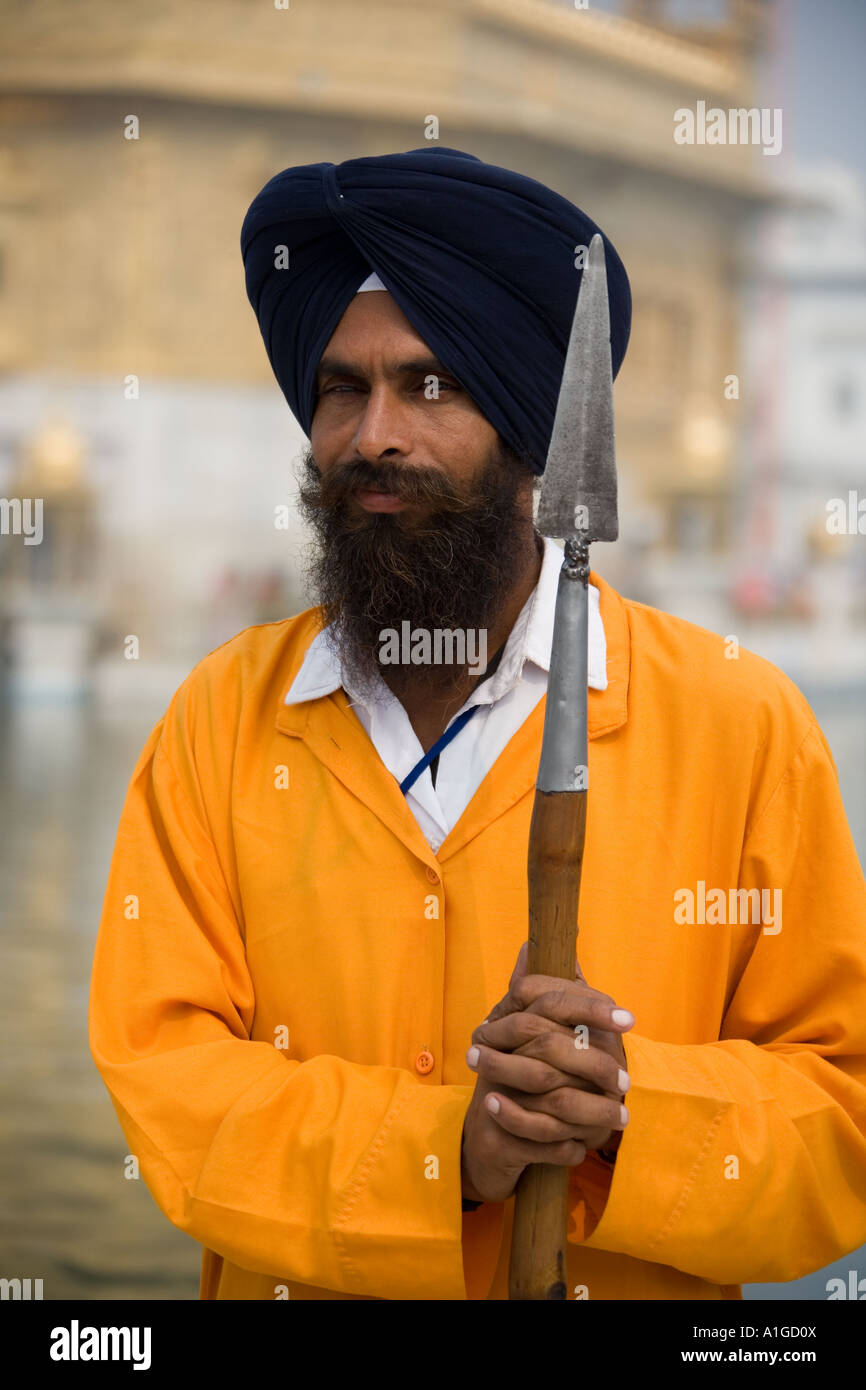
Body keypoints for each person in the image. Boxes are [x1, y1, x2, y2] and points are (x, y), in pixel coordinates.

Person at [89, 147, 866, 1301]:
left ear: (527, 426)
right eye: (343, 388)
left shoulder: (736, 721)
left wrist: (623, 1107)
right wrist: (451, 1149)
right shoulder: (220, 719)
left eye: (431, 385)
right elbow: (166, 1085)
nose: (373, 437)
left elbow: (839, 1123)